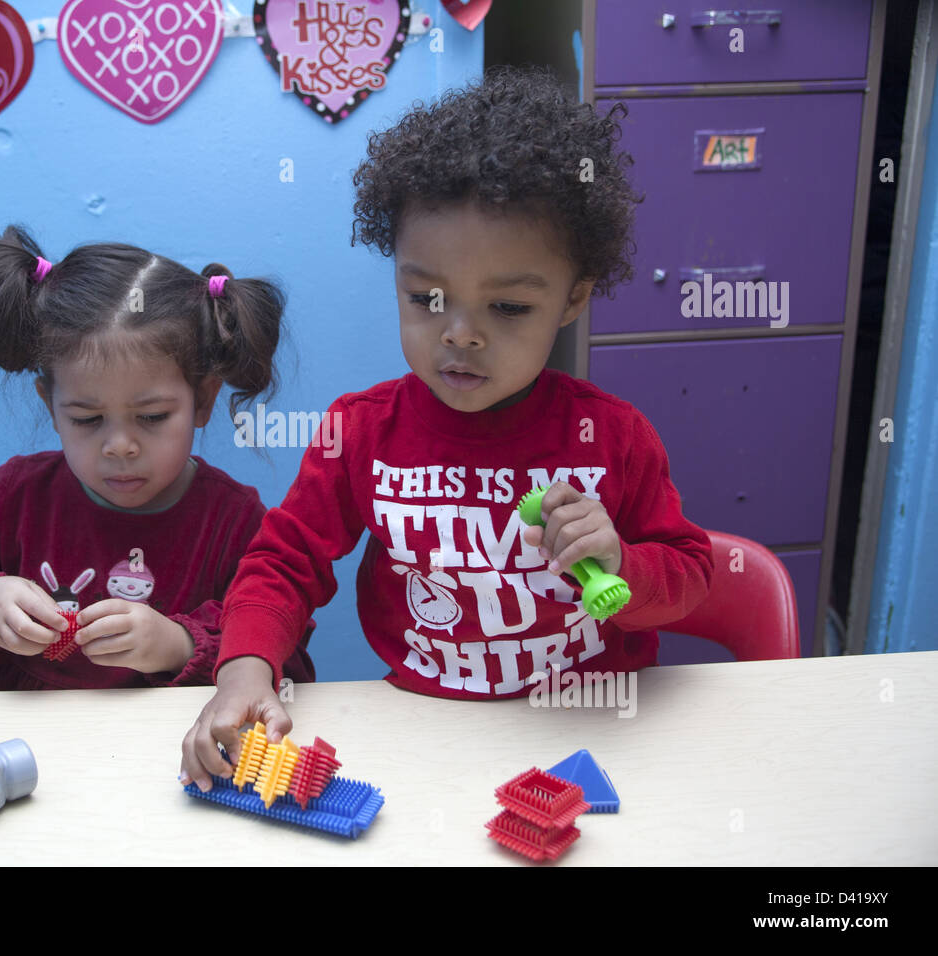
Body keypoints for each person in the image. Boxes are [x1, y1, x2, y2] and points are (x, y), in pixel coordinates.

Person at [180, 66, 713, 788]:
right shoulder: (360, 433)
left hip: (588, 732)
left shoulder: (612, 437)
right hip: (427, 731)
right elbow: (284, 563)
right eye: (427, 297)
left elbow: (690, 576)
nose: (460, 335)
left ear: (572, 299)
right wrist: (245, 670)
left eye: (509, 308)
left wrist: (622, 560)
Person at [0, 226, 314, 691]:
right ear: (50, 406)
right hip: (18, 742)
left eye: (153, 416)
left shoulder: (234, 523)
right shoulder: (13, 497)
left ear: (202, 400)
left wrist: (180, 643)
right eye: (87, 419)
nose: (119, 446)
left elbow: (288, 656)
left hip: (168, 753)